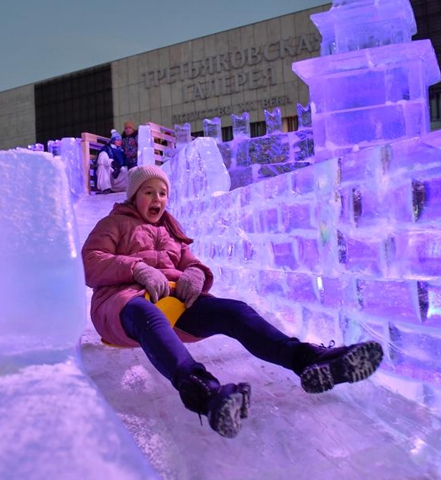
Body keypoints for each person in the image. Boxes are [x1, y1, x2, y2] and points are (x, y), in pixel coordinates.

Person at [81, 165, 383, 438]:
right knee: (148, 315)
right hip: (122, 304)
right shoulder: (114, 224)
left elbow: (191, 261)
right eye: (149, 192)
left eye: (162, 193)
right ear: (134, 196)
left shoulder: (172, 232)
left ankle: (307, 360)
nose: (157, 198)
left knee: (234, 311)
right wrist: (137, 268)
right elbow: (91, 261)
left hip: (171, 300)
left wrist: (196, 274)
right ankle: (203, 390)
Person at [95, 129, 128, 193]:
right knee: (102, 166)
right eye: (118, 140)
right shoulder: (106, 148)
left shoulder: (121, 150)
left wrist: (119, 168)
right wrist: (114, 164)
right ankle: (106, 188)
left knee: (126, 170)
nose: (119, 142)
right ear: (113, 140)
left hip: (118, 174)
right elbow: (102, 159)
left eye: (120, 140)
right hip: (109, 173)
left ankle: (122, 188)